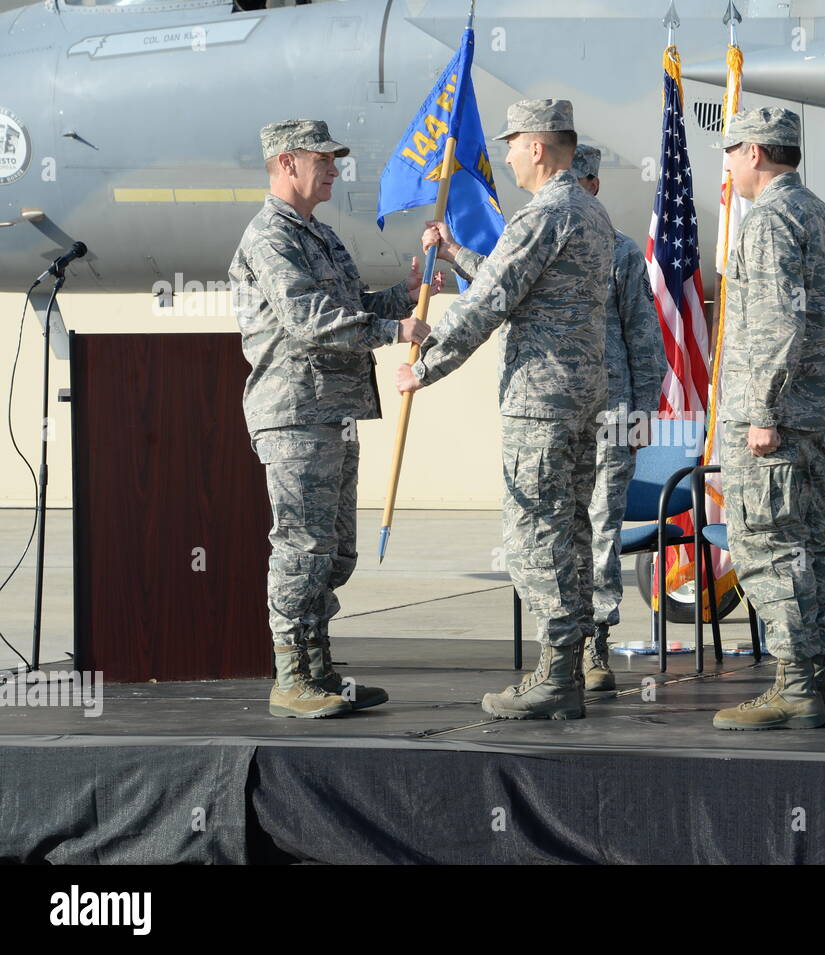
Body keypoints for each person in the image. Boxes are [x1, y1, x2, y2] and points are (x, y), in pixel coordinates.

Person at [395, 99, 614, 720]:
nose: (509, 155)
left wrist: (426, 366)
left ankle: (554, 676)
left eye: (514, 143)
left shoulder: (545, 213)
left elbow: (490, 302)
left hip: (541, 403)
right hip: (582, 397)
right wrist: (460, 252)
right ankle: (567, 668)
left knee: (533, 539)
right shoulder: (592, 212)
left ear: (538, 147)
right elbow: (515, 280)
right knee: (569, 532)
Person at [433, 144, 664, 690]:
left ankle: (595, 644)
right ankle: (566, 644)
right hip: (560, 406)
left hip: (611, 407)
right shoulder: (546, 234)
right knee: (560, 525)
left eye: (584, 180)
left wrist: (645, 412)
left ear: (594, 185)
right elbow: (506, 283)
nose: (577, 189)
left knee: (600, 524)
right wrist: (453, 252)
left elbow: (644, 336)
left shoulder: (619, 251)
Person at [230, 118, 436, 718]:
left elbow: (348, 306)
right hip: (296, 412)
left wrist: (407, 290)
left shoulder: (317, 236)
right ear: (287, 163)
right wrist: (393, 330)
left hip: (335, 412)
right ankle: (291, 676)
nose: (334, 169)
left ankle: (319, 669)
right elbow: (310, 320)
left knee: (333, 551)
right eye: (323, 160)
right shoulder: (271, 237)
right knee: (301, 543)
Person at [710, 107, 825, 731]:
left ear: (757, 154)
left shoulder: (768, 221)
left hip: (774, 420)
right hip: (814, 412)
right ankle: (811, 681)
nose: (728, 164)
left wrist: (763, 412)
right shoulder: (822, 215)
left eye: (732, 151)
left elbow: (776, 324)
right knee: (808, 546)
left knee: (767, 546)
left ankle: (796, 683)